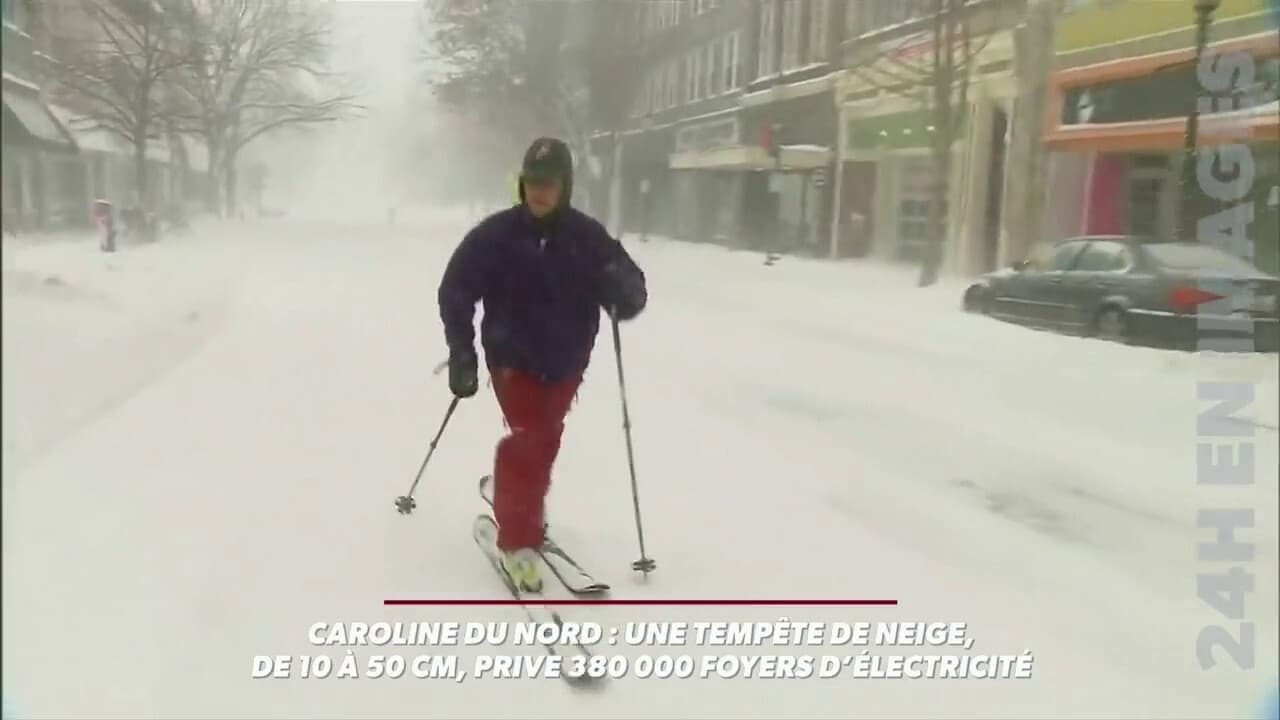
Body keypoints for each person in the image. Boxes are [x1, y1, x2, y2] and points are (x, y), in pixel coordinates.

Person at [437, 137, 647, 593]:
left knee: (545, 438)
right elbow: (455, 290)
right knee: (530, 439)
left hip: (568, 361)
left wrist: (625, 291)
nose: (539, 191)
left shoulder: (586, 237)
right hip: (511, 358)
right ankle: (518, 540)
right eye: (532, 181)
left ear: (565, 185)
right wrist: (462, 351)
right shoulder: (496, 236)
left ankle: (519, 498)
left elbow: (631, 288)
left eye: (548, 183)